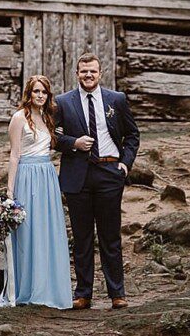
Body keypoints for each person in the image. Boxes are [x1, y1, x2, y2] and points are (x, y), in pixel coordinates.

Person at [53, 53, 140, 310]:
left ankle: (117, 293)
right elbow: (51, 136)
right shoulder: (63, 102)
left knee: (110, 236)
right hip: (77, 175)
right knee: (82, 238)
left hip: (109, 173)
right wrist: (74, 143)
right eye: (83, 72)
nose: (88, 75)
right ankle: (83, 294)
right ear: (76, 73)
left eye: (92, 71)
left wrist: (125, 163)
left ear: (100, 73)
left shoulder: (117, 100)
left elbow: (133, 134)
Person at [0, 74, 72, 309]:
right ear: (28, 94)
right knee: (29, 232)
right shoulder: (19, 118)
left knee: (47, 229)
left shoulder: (48, 118)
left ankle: (49, 288)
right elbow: (15, 155)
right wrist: (10, 191)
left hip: (47, 175)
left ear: (48, 96)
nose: (39, 96)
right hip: (27, 176)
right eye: (35, 92)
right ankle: (26, 289)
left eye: (44, 92)